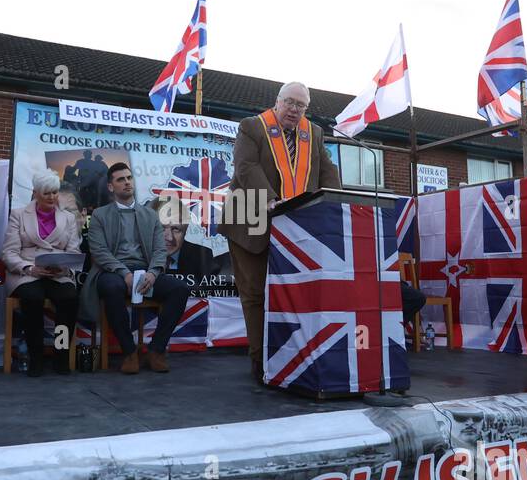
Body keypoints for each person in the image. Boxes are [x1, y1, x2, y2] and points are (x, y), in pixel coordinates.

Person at [220, 81, 342, 383]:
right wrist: (272, 199)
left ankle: (292, 357)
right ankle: (260, 362)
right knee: (256, 294)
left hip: (298, 225)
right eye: (289, 102)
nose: (294, 109)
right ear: (277, 102)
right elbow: (245, 167)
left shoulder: (313, 133)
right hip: (250, 220)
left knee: (296, 293)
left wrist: (339, 203)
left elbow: (326, 169)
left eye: (301, 105)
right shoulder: (252, 126)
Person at [81, 163, 192, 373]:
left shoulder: (150, 215)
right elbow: (99, 251)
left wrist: (153, 272)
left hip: (145, 271)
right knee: (111, 289)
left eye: (129, 178)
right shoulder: (99, 215)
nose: (127, 183)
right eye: (120, 179)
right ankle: (129, 351)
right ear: (111, 187)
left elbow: (160, 250)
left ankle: (156, 350)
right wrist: (124, 273)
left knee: (180, 289)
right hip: (113, 271)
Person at [3, 169, 81, 377]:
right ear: (35, 193)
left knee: (69, 299)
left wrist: (63, 267)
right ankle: (35, 357)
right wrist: (29, 268)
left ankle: (61, 354)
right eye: (47, 193)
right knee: (32, 298)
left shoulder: (68, 218)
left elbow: (73, 251)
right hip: (27, 272)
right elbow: (9, 252)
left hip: (58, 272)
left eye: (55, 192)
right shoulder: (18, 214)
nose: (52, 197)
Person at [149, 198, 216, 276]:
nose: (170, 238)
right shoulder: (136, 254)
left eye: (176, 229)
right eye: (161, 228)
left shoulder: (202, 257)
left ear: (185, 230)